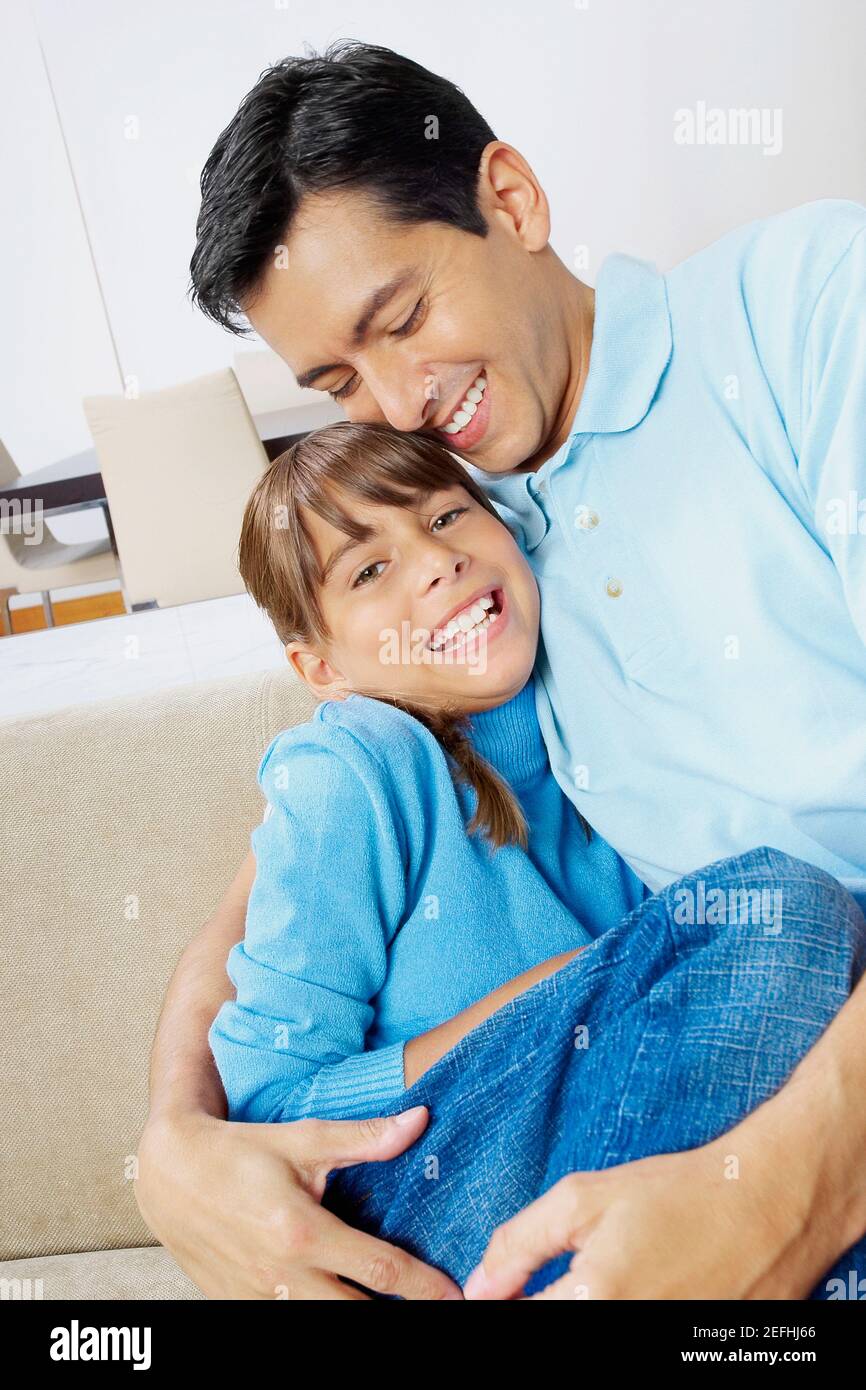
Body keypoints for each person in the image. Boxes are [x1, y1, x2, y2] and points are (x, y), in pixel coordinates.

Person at [134, 41, 866, 1299]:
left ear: (511, 201)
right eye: (337, 383)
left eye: (403, 321)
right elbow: (279, 873)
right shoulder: (479, 546)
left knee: (785, 913)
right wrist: (174, 1142)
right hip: (708, 1086)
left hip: (796, 1092)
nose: (399, 407)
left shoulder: (807, 305)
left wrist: (785, 1199)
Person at [208, 418, 866, 1301]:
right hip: (432, 1182)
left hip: (617, 1150)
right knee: (783, 908)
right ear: (320, 667)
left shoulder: (599, 710)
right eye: (369, 570)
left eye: (445, 518)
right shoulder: (352, 769)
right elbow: (267, 1106)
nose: (435, 562)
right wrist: (562, 990)